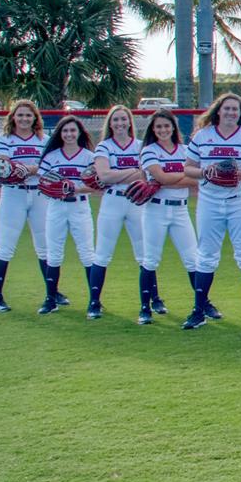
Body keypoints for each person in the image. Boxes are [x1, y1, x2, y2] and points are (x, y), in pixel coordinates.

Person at [183, 93, 241, 331]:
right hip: (210, 200)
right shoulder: (202, 136)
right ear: (218, 110)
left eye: (235, 109)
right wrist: (207, 172)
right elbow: (188, 169)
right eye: (227, 108)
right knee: (206, 254)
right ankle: (198, 310)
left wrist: (232, 174)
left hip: (240, 201)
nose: (230, 113)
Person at [0, 98, 51, 312]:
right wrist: (27, 168)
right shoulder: (4, 138)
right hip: (13, 194)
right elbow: (1, 166)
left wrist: (26, 169)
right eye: (20, 115)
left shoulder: (44, 139)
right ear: (13, 117)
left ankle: (52, 293)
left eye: (28, 115)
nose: (24, 119)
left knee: (45, 247)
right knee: (5, 246)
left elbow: (49, 166)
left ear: (35, 118)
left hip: (39, 194)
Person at [138, 110, 200, 325]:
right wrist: (184, 176)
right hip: (156, 209)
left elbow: (196, 181)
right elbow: (160, 176)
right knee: (151, 259)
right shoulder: (149, 150)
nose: (163, 130)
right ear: (153, 130)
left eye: (166, 125)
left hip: (180, 210)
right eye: (158, 126)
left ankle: (202, 304)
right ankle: (145, 308)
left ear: (173, 127)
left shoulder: (185, 150)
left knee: (193, 259)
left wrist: (169, 180)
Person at [86, 104, 148, 320]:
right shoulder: (104, 146)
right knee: (102, 253)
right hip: (112, 201)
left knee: (145, 254)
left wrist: (118, 173)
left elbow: (145, 175)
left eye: (123, 119)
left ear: (130, 122)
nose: (120, 123)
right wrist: (132, 171)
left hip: (137, 200)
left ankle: (152, 300)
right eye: (116, 120)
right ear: (110, 124)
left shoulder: (140, 146)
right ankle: (94, 302)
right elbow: (104, 176)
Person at [34, 114, 99, 316]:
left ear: (79, 133)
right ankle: (50, 299)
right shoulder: (51, 156)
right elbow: (42, 182)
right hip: (56, 206)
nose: (69, 134)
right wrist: (54, 188)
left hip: (79, 206)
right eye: (65, 130)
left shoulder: (89, 156)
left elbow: (96, 185)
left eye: (72, 130)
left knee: (87, 253)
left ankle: (95, 300)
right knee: (54, 253)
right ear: (59, 134)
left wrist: (74, 188)